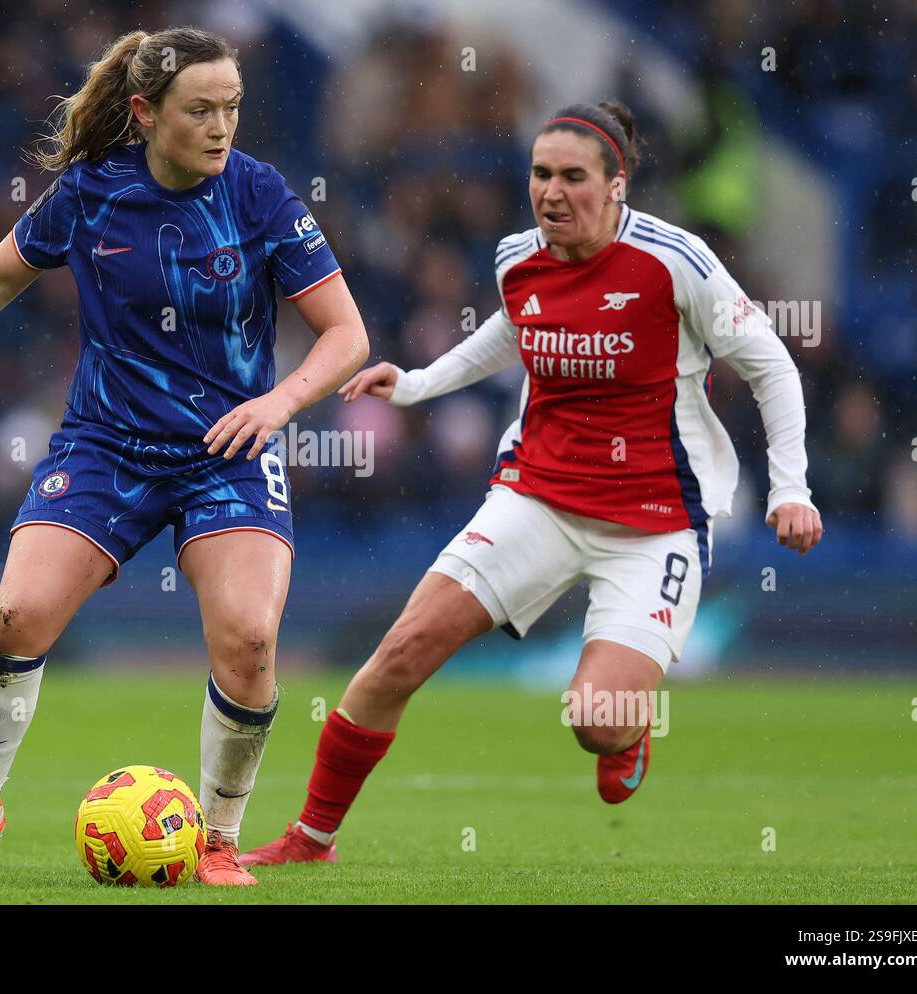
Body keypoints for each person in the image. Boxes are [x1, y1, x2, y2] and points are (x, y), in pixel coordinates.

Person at [0, 27, 368, 886]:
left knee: (249, 638)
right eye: (200, 110)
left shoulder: (262, 195)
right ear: (145, 112)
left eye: (232, 107)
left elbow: (346, 334)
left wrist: (278, 404)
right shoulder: (91, 193)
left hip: (227, 451)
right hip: (106, 445)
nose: (221, 126)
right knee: (16, 618)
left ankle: (218, 840)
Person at [242, 101, 823, 867]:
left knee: (596, 720)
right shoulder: (519, 258)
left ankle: (625, 729)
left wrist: (791, 487)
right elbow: (514, 330)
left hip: (655, 523)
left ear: (617, 185)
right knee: (402, 652)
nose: (552, 191)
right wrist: (417, 383)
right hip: (537, 497)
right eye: (541, 173)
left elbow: (772, 366)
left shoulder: (676, 261)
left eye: (573, 176)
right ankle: (311, 839)